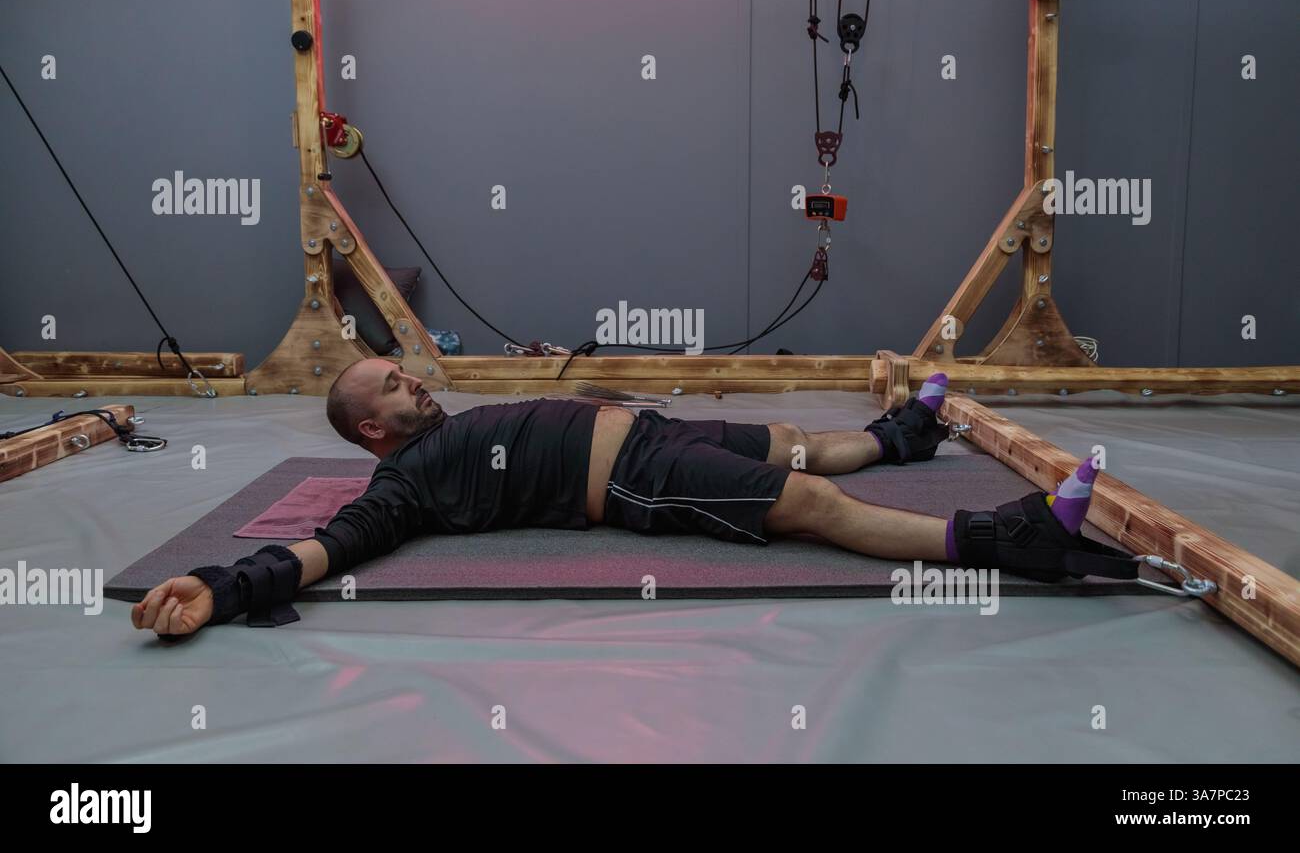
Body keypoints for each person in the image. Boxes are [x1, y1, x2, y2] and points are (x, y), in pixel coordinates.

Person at [132, 360, 1116, 637]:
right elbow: (329, 547)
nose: (412, 383)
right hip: (643, 480)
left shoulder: (439, 432)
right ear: (370, 431)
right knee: (808, 499)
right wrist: (228, 586)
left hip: (652, 433)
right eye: (391, 388)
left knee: (794, 440)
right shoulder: (404, 484)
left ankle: (901, 437)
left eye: (404, 373)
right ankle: (1002, 539)